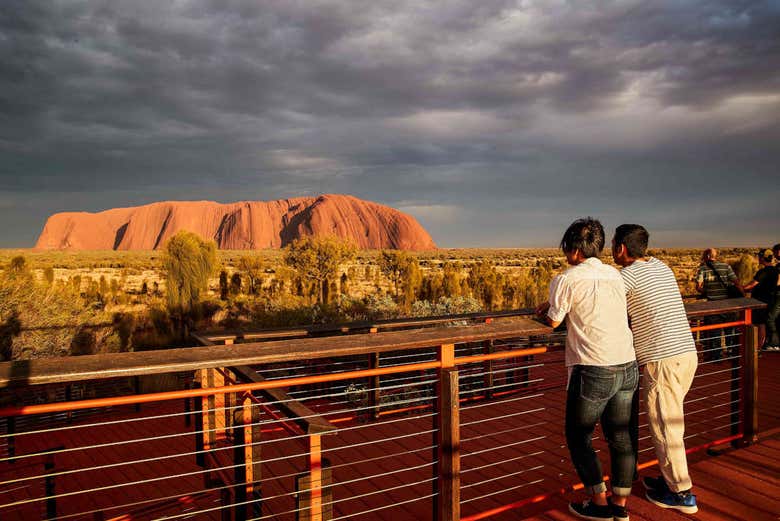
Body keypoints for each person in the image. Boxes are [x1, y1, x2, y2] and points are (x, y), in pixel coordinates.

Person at [536, 217, 637, 521]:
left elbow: (553, 321)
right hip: (627, 364)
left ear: (575, 250)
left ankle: (599, 503)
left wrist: (543, 311)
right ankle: (620, 506)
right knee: (619, 437)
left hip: (594, 367)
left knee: (579, 435)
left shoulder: (567, 278)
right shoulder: (615, 275)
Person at [612, 224, 699, 514]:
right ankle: (670, 481)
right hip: (685, 354)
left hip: (663, 360)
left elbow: (602, 303)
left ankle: (682, 493)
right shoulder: (661, 266)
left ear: (621, 248)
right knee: (670, 421)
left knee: (666, 427)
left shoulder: (626, 276)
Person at [695, 249, 744, 361]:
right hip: (728, 304)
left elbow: (698, 287)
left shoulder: (703, 268)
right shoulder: (726, 266)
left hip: (713, 305)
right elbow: (736, 282)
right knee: (729, 329)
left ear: (707, 256)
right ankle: (732, 353)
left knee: (714, 330)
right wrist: (743, 296)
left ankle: (716, 355)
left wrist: (706, 291)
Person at [744, 249, 779, 351]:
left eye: (759, 257)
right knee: (763, 323)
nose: (758, 258)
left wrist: (741, 288)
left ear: (763, 258)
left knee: (760, 324)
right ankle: (761, 346)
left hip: (760, 301)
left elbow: (751, 285)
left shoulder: (763, 272)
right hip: (770, 300)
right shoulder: (775, 270)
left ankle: (758, 348)